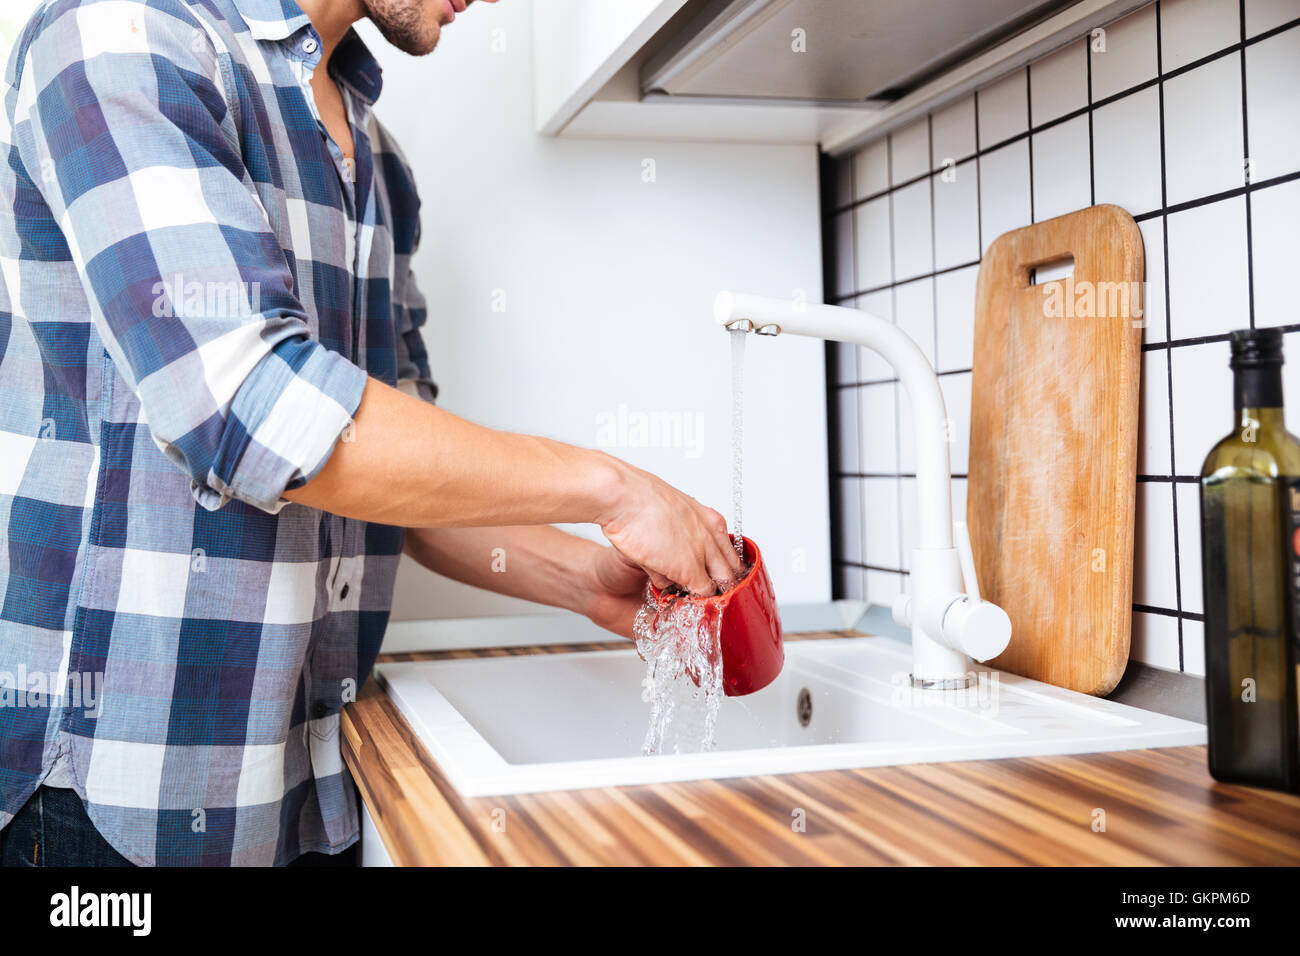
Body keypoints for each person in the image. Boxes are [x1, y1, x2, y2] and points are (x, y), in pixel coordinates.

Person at [0, 0, 740, 866]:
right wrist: (616, 488)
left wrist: (588, 579)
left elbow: (399, 480)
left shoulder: (377, 158)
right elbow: (252, 405)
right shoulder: (121, 37)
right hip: (118, 800)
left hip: (312, 783)